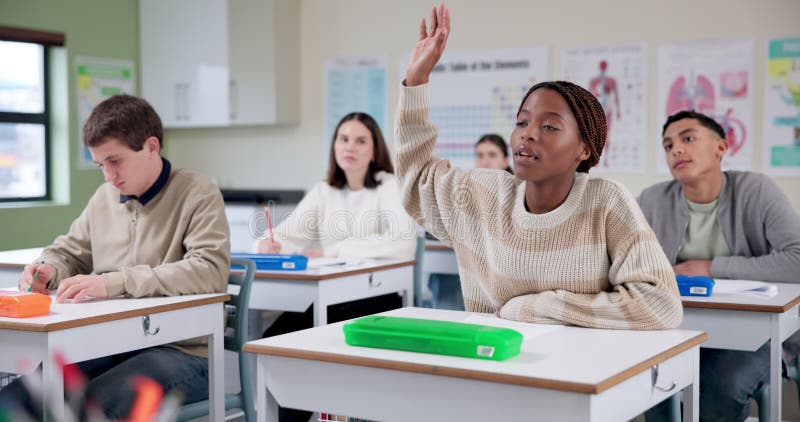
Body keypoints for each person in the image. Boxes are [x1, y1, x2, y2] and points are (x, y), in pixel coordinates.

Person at [394, 5, 682, 329]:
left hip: (585, 369)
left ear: (584, 148)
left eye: (549, 127)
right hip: (496, 364)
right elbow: (415, 178)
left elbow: (660, 304)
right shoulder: (481, 194)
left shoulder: (606, 202)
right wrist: (416, 81)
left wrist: (539, 307)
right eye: (522, 122)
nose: (527, 133)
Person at [0, 95, 230, 419]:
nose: (108, 176)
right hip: (110, 342)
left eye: (115, 161)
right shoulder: (104, 198)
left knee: (91, 406)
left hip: (183, 350)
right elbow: (68, 251)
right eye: (100, 165)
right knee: (19, 398)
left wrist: (114, 282)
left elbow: (209, 270)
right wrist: (48, 268)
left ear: (151, 147)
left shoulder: (197, 192)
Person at [254, 111, 416, 422]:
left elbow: (402, 243)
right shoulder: (324, 190)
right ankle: (285, 413)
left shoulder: (388, 186)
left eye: (360, 140)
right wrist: (270, 244)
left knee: (312, 338)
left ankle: (295, 413)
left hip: (379, 298)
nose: (349, 147)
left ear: (375, 150)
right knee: (277, 337)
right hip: (330, 295)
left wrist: (333, 250)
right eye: (343, 139)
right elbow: (291, 233)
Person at [639, 110, 800, 422]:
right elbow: (615, 254)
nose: (676, 150)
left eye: (688, 138)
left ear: (721, 148)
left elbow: (798, 260)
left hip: (757, 333)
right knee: (654, 377)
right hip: (682, 325)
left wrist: (712, 267)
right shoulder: (652, 200)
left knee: (720, 386)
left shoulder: (757, 190)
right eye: (668, 145)